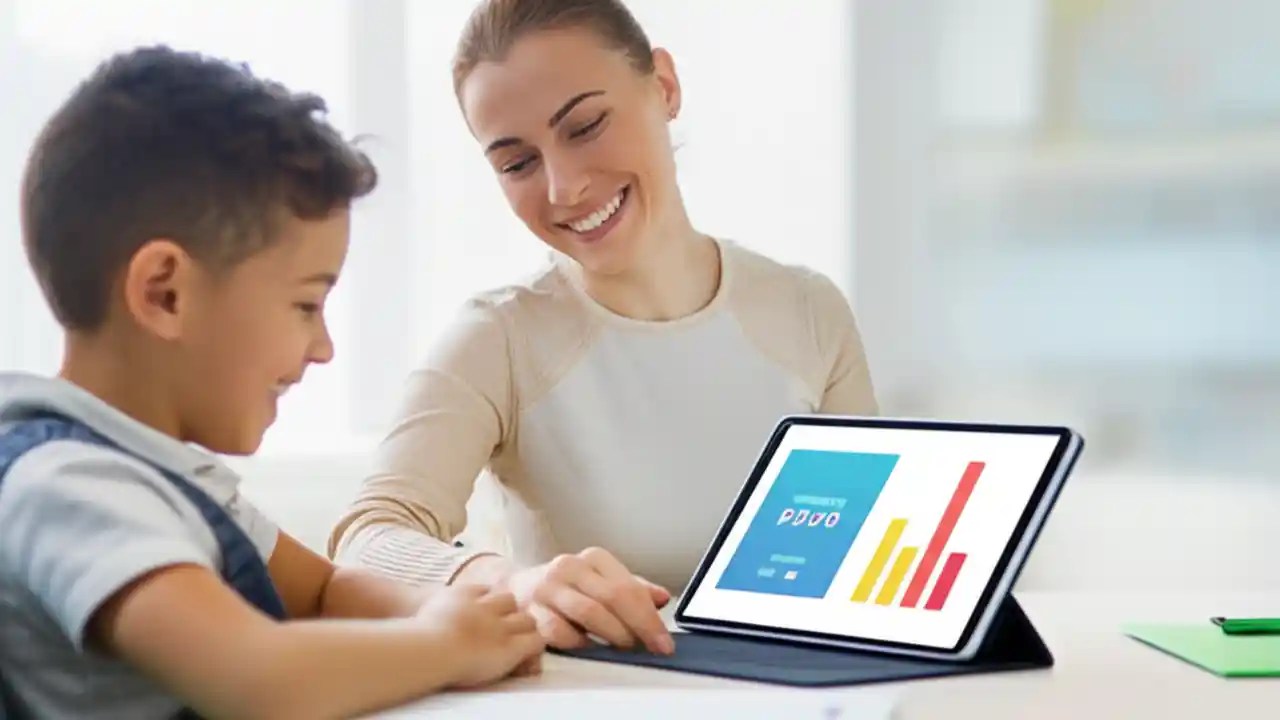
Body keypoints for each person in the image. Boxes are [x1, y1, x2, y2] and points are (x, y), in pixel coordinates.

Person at [0, 46, 543, 720]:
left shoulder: (168, 478)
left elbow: (325, 592)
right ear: (166, 294)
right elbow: (252, 677)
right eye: (305, 305)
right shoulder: (69, 487)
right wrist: (442, 644)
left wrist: (451, 608)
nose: (323, 347)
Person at [329, 0, 878, 657]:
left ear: (665, 87)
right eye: (516, 164)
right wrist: (511, 583)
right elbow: (366, 540)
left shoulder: (809, 312)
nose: (562, 188)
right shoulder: (498, 340)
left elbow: (869, 557)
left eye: (585, 126)